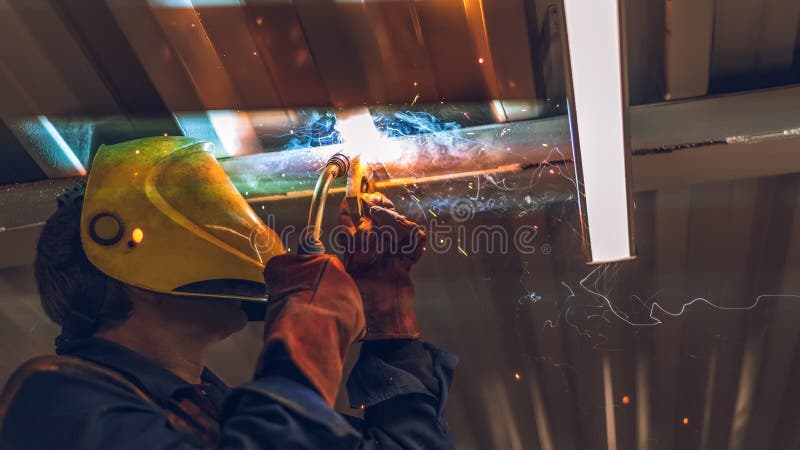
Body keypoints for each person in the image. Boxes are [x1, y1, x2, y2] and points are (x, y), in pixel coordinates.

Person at [0, 137, 457, 449]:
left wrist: (387, 324)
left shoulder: (217, 415)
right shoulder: (51, 402)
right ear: (133, 274)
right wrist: (309, 334)